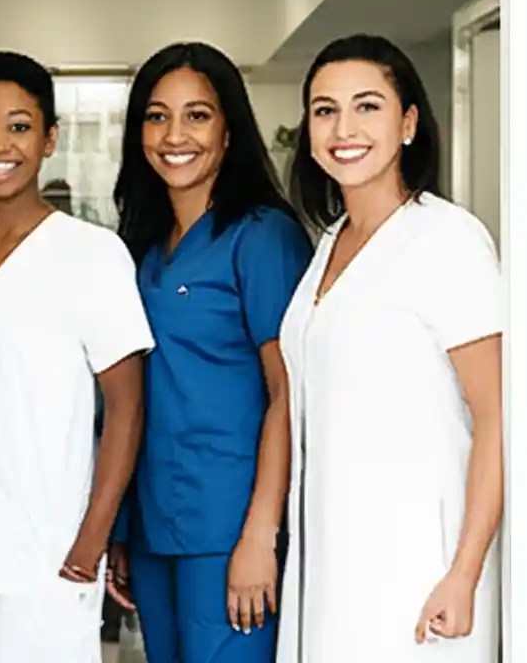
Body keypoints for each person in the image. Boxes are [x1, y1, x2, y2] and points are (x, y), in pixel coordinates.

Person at [0, 50, 155, 663]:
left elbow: (127, 408)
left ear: (50, 138)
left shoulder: (93, 255)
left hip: (48, 551)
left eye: (19, 126)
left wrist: (92, 539)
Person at [275, 34, 503, 663]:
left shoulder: (446, 240)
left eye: (367, 106)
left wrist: (464, 573)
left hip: (417, 572)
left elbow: (498, 416)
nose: (343, 127)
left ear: (407, 123)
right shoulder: (331, 243)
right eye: (325, 110)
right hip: (330, 563)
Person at [108, 41, 312, 663]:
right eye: (156, 115)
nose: (175, 134)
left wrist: (259, 535)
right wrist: (120, 528)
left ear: (229, 130)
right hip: (152, 524)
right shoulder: (140, 246)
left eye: (197, 115)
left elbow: (287, 394)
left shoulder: (262, 238)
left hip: (229, 527)